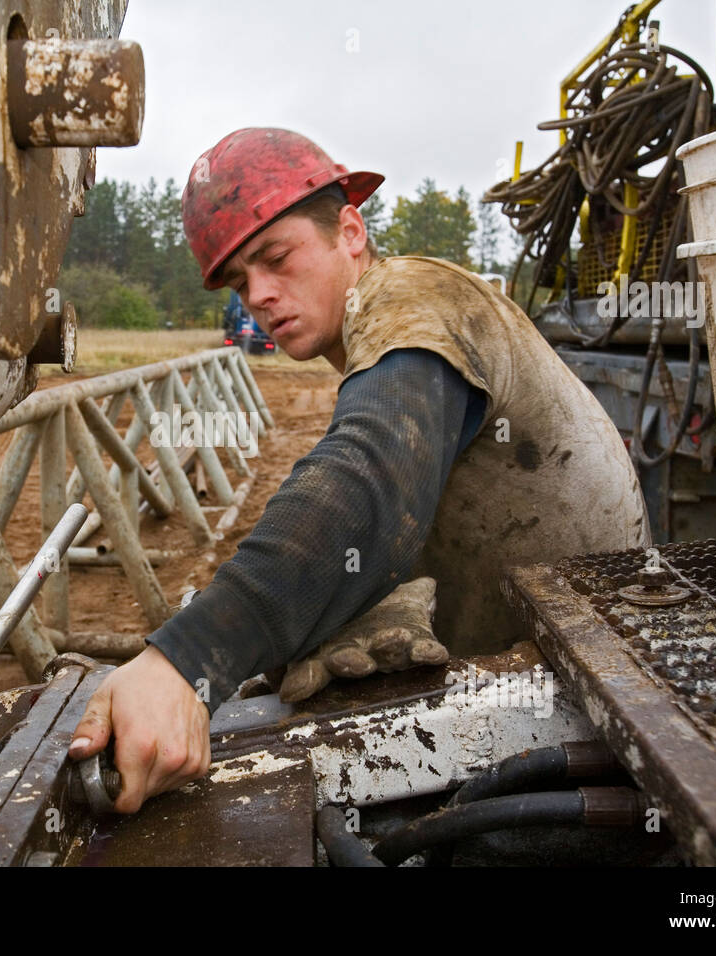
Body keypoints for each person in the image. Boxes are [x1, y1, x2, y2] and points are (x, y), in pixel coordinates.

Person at [68, 128, 650, 813]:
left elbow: (366, 478)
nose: (258, 294)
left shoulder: (412, 297)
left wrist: (187, 662)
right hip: (568, 662)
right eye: (237, 281)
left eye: (275, 258)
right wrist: (363, 595)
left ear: (349, 229)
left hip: (603, 705)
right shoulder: (380, 333)